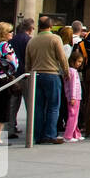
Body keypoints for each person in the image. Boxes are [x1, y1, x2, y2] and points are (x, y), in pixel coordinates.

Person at [27, 15, 69, 144]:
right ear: (51, 27)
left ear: (39, 27)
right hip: (51, 74)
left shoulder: (32, 41)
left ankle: (37, 135)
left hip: (35, 75)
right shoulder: (55, 38)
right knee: (53, 106)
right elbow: (62, 58)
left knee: (38, 107)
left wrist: (29, 72)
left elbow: (27, 61)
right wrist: (66, 71)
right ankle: (50, 134)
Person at [63, 47, 85, 141]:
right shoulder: (72, 71)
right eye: (78, 62)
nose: (80, 64)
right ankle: (68, 135)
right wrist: (72, 97)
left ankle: (76, 133)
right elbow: (72, 85)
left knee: (75, 115)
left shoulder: (71, 71)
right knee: (73, 115)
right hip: (74, 96)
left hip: (75, 96)